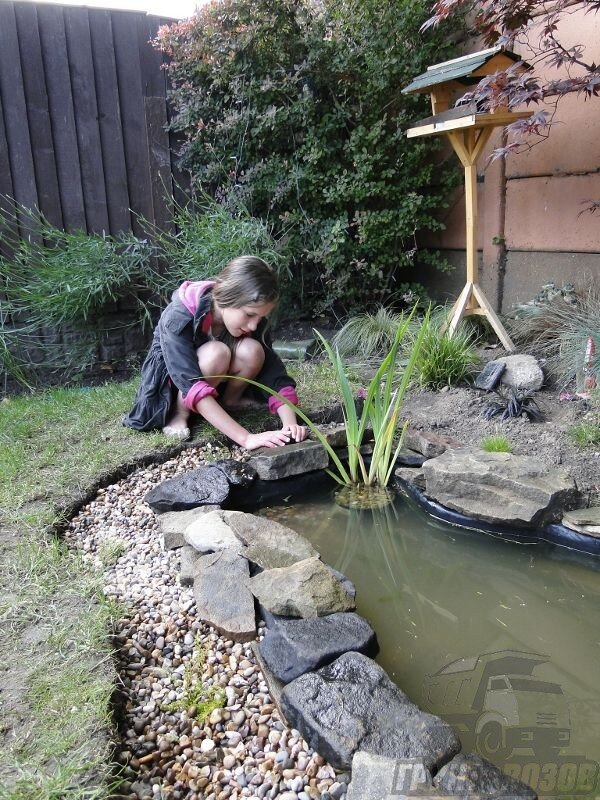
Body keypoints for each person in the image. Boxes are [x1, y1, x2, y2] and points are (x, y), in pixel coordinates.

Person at [123, 256, 308, 450]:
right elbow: (187, 379)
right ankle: (180, 414)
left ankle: (230, 401)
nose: (254, 324)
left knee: (253, 350)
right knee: (217, 353)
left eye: (260, 317)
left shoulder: (250, 318)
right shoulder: (179, 316)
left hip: (215, 381)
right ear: (226, 297)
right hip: (177, 384)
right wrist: (246, 439)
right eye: (250, 315)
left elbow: (273, 371)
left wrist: (290, 424)